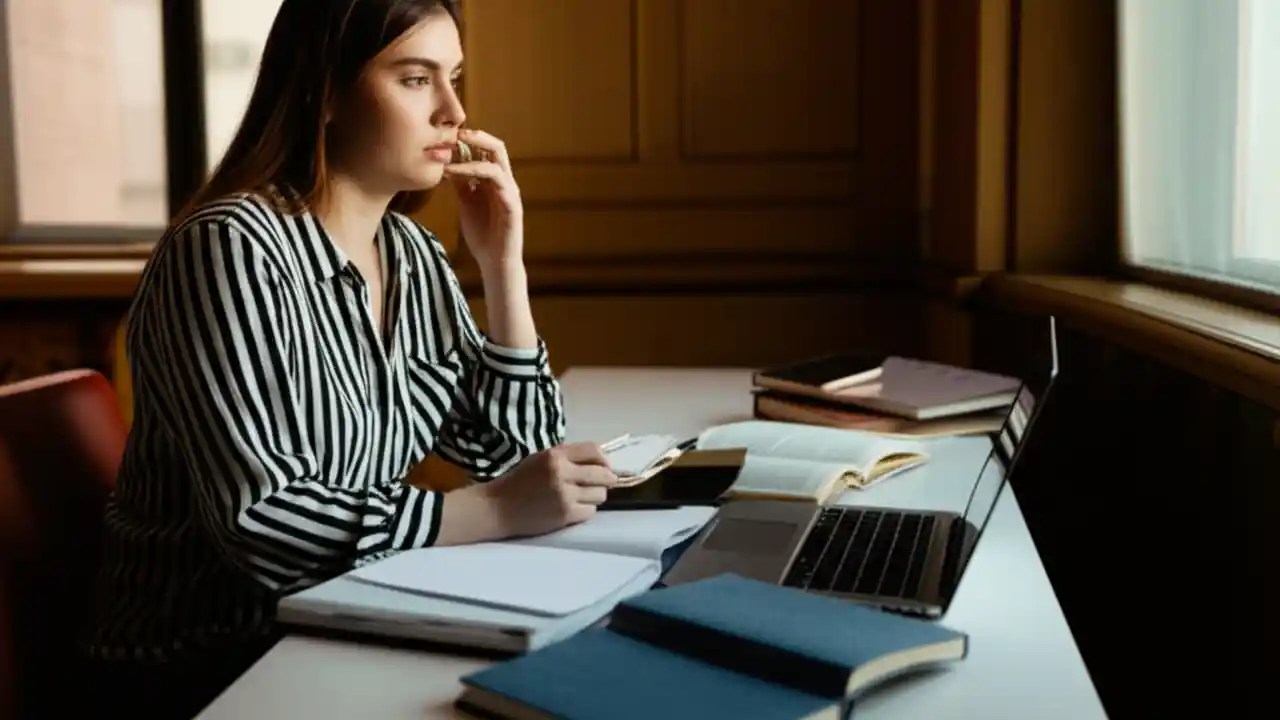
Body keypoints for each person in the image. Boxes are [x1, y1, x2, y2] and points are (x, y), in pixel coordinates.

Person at [80, 1, 619, 716]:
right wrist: (489, 508)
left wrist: (502, 267)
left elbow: (514, 458)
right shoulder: (229, 250)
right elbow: (264, 523)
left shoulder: (412, 256)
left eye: (454, 78)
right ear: (324, 92)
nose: (453, 111)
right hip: (207, 667)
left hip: (340, 619)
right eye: (416, 79)